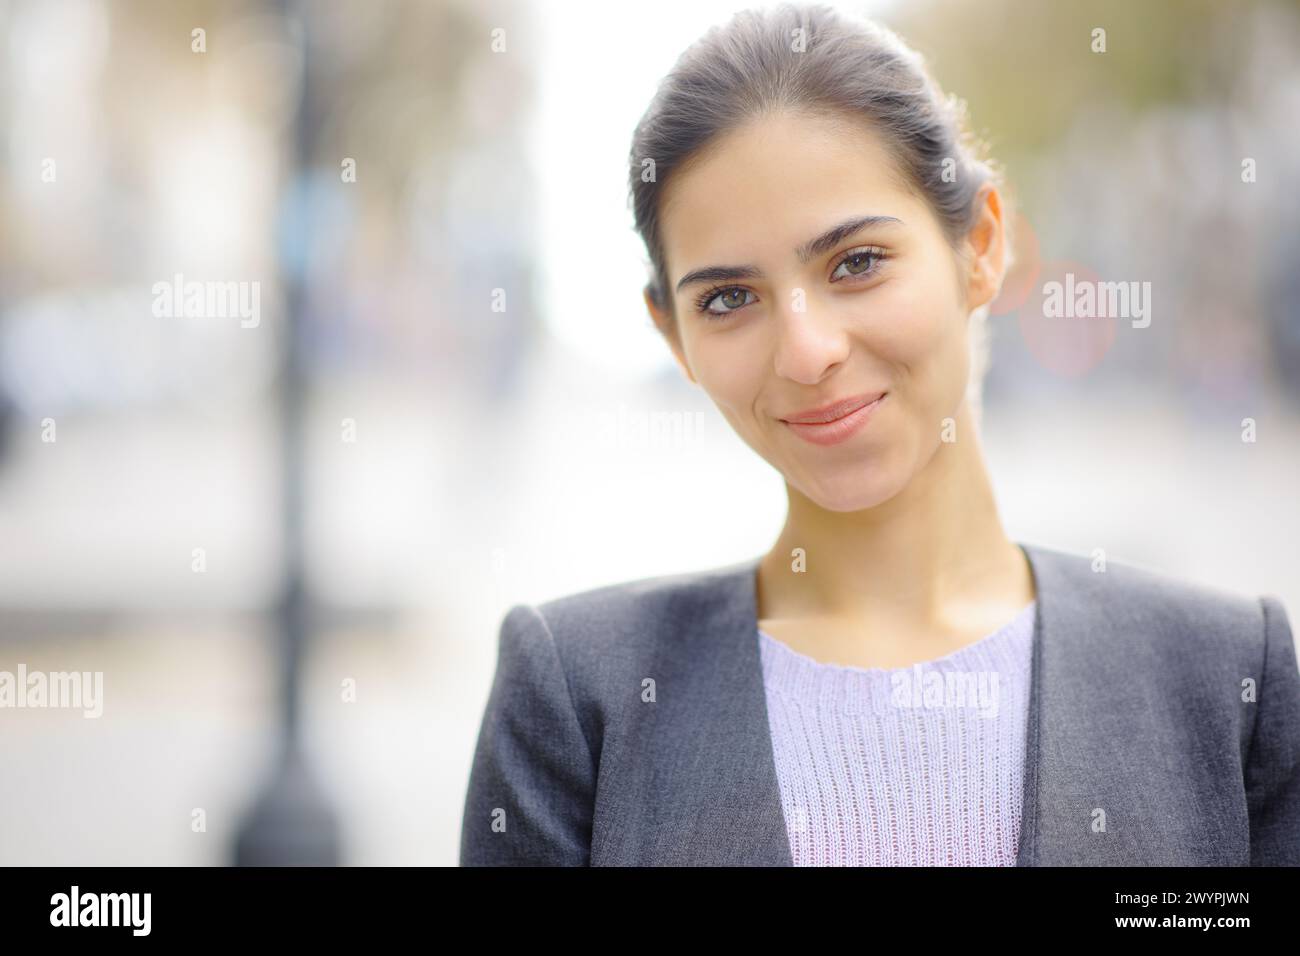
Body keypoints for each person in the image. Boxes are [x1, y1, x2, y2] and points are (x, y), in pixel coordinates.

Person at [459, 2, 1300, 866]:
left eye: (856, 263)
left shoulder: (1228, 682)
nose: (808, 351)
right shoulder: (576, 701)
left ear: (981, 244)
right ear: (673, 335)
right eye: (728, 298)